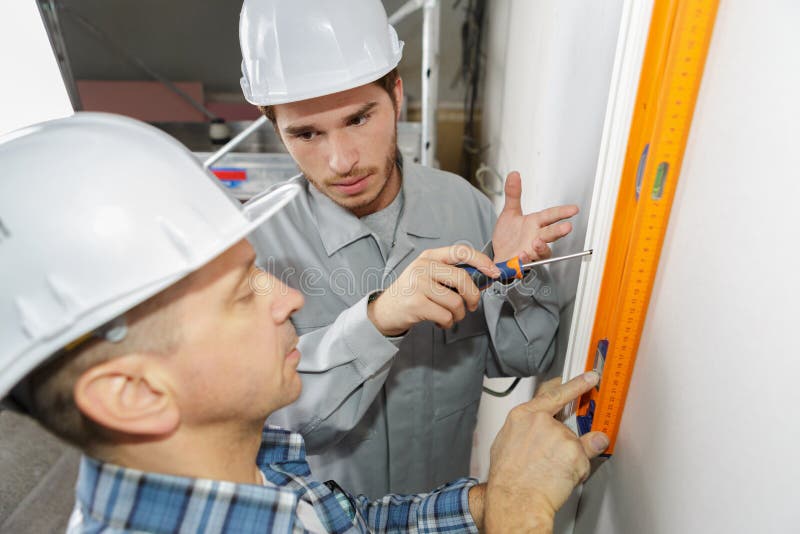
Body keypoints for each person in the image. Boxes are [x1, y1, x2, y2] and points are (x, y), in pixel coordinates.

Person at [0, 113, 608, 533]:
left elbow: (352, 524)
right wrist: (518, 515)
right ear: (133, 392)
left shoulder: (257, 469)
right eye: (243, 294)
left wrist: (487, 501)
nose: (290, 299)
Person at [239, 0, 582, 497]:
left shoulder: (462, 206)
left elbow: (526, 358)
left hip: (445, 518)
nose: (341, 161)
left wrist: (516, 276)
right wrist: (377, 322)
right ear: (275, 128)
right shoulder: (248, 250)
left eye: (359, 119)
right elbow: (265, 428)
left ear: (397, 96)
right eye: (307, 133)